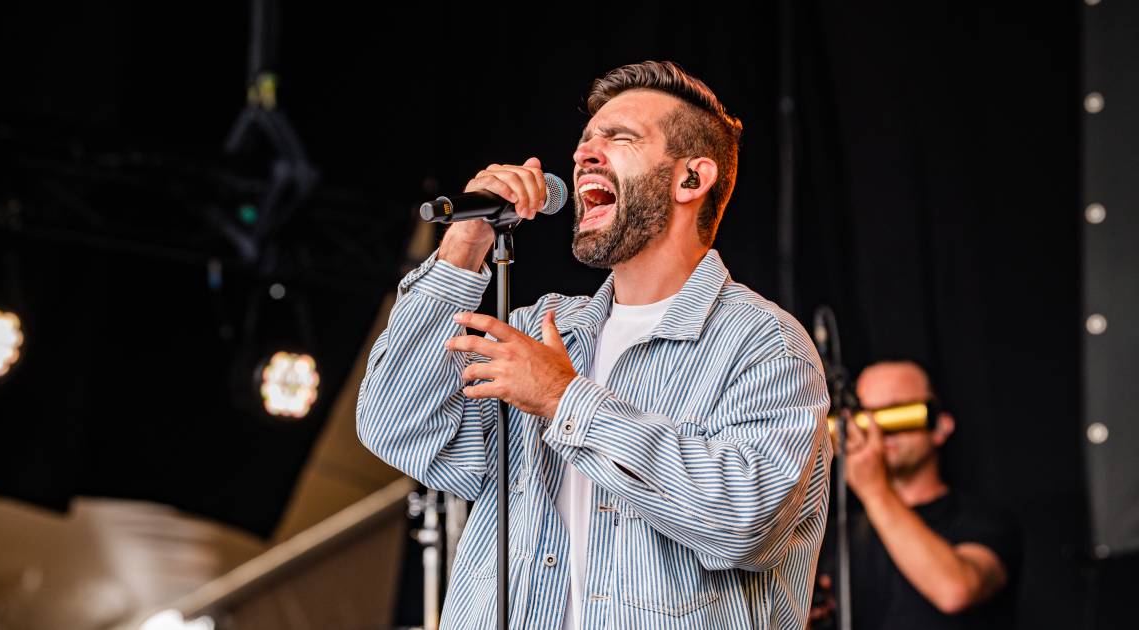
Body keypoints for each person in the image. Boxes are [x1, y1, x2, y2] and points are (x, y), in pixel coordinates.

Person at [357, 60, 832, 629]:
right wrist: (464, 245)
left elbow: (745, 523)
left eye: (620, 138)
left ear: (691, 179)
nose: (584, 154)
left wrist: (565, 399)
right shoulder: (541, 327)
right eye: (585, 141)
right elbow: (394, 425)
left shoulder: (763, 343)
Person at [810, 360, 1018, 629]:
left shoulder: (984, 520)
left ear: (941, 427)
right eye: (864, 413)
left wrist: (873, 488)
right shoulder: (837, 535)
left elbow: (955, 591)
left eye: (896, 413)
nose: (877, 429)